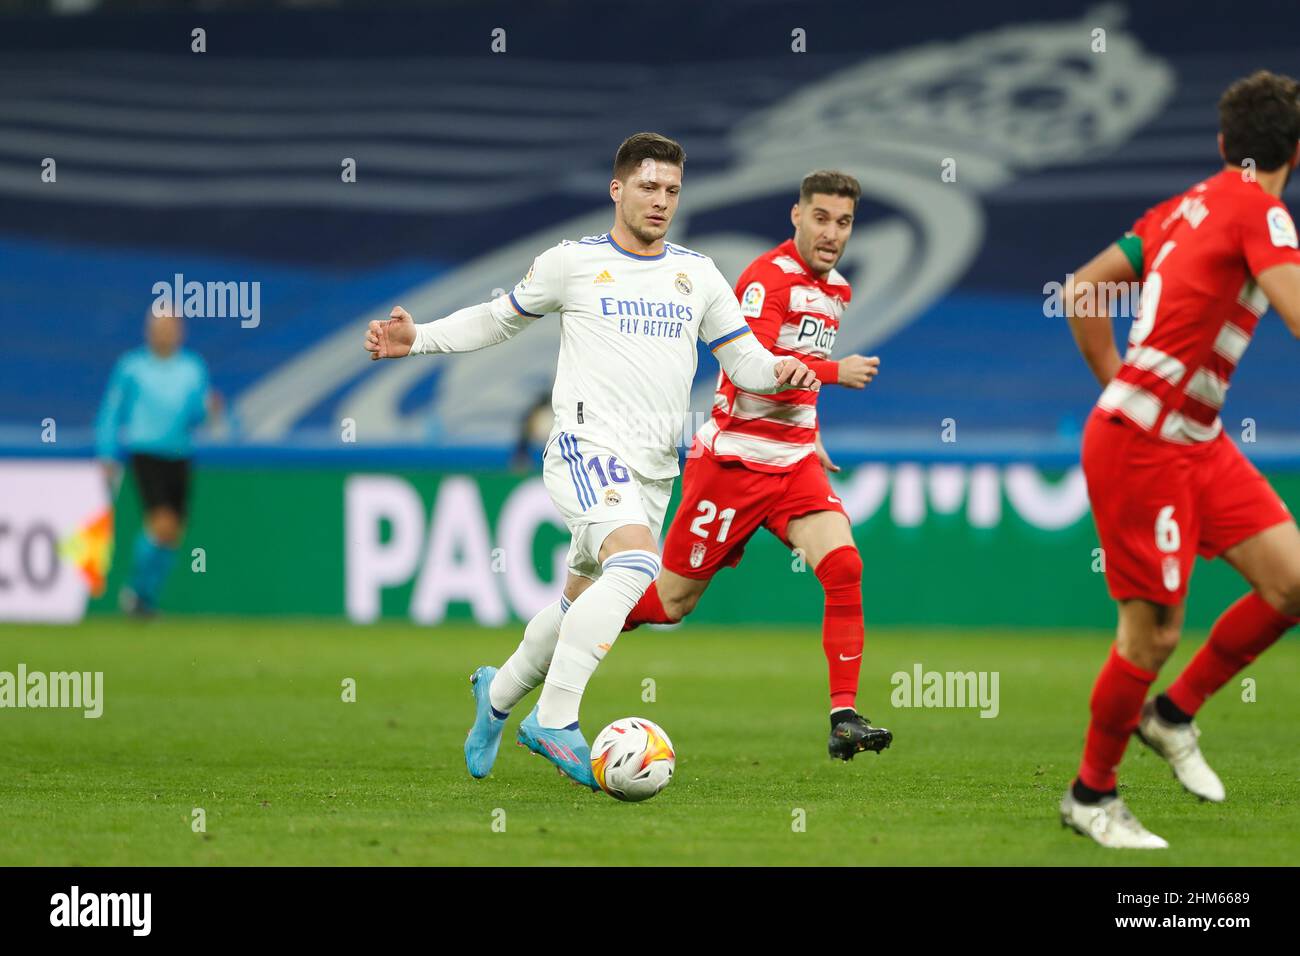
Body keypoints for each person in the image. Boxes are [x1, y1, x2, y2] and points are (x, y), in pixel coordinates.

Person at [363, 132, 818, 789]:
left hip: (656, 468)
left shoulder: (698, 274)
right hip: (585, 444)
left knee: (578, 605)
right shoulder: (571, 263)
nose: (661, 201)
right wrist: (420, 339)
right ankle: (555, 719)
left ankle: (495, 696)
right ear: (618, 189)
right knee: (636, 566)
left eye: (671, 190)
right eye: (648, 187)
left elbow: (742, 358)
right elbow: (498, 319)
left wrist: (779, 369)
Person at [1062, 70, 1300, 848]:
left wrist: (1120, 385)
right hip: (1145, 444)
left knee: (1293, 582)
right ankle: (1090, 797)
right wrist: (1131, 402)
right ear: (1294, 152)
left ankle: (1172, 715)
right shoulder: (1264, 213)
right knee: (1151, 636)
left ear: (1225, 143)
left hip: (1192, 437)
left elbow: (1084, 289)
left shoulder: (1184, 206)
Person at [621, 170, 891, 760]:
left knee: (844, 565)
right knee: (670, 605)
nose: (831, 233)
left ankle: (843, 715)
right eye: (820, 217)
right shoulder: (765, 279)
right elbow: (756, 365)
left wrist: (811, 431)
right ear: (796, 216)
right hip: (733, 465)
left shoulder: (838, 290)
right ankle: (561, 633)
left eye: (843, 222)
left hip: (792, 464)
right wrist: (834, 371)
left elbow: (800, 376)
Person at [96, 309, 219, 616]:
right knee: (161, 523)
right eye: (159, 327)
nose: (165, 332)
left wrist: (210, 410)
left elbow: (196, 416)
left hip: (180, 454)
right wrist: (107, 452)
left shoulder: (192, 368)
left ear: (180, 331)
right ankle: (134, 591)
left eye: (171, 327)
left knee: (173, 531)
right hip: (146, 451)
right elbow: (111, 412)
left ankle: (144, 600)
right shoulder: (132, 367)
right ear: (149, 331)